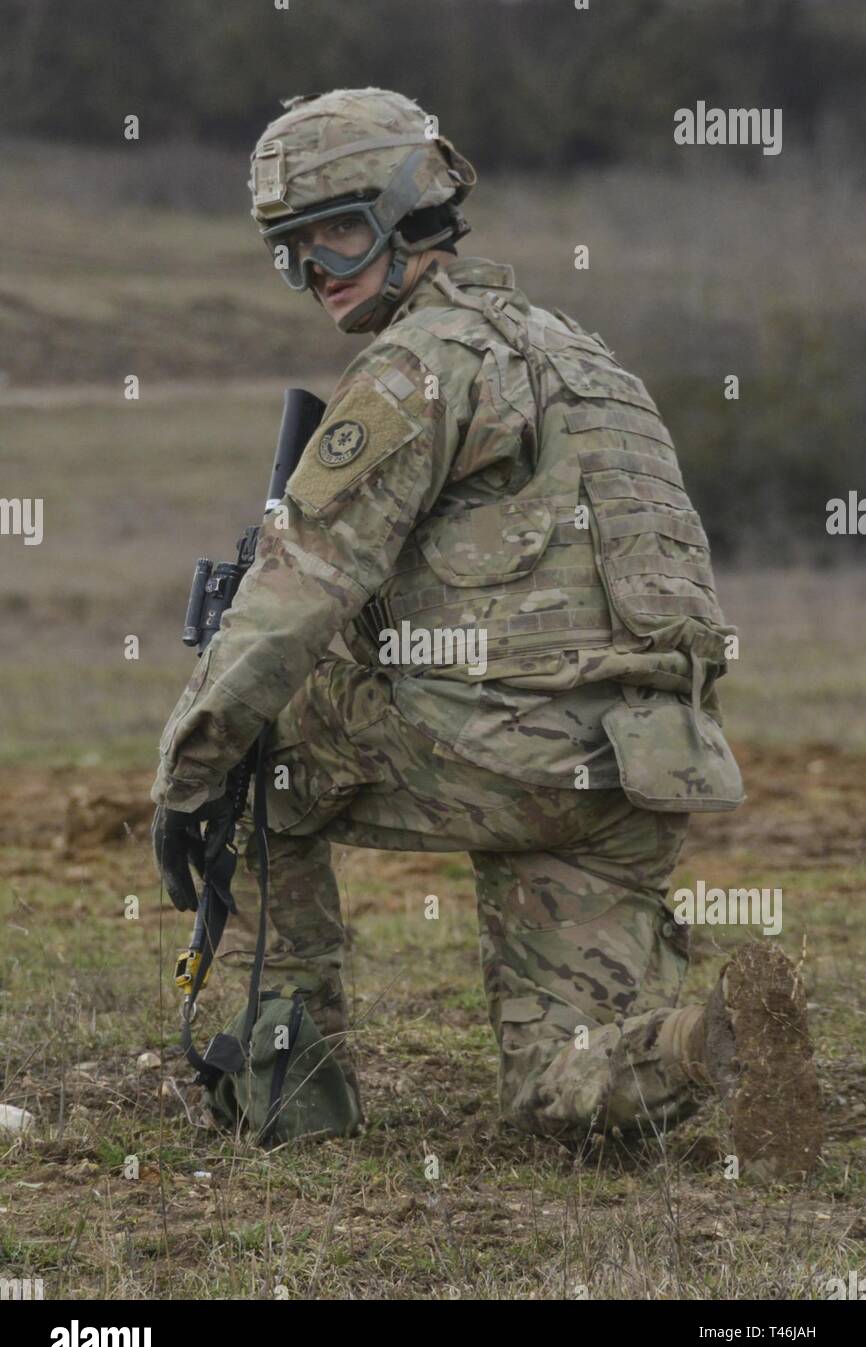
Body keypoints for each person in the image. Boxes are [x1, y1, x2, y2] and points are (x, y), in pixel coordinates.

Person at [152, 88, 821, 1179]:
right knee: (555, 1090)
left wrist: (189, 766)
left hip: (503, 751)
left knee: (257, 754)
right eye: (290, 250)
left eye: (335, 232)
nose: (316, 270)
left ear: (409, 212)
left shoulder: (417, 366)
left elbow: (300, 585)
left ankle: (292, 1079)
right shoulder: (588, 357)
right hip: (636, 771)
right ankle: (713, 1043)